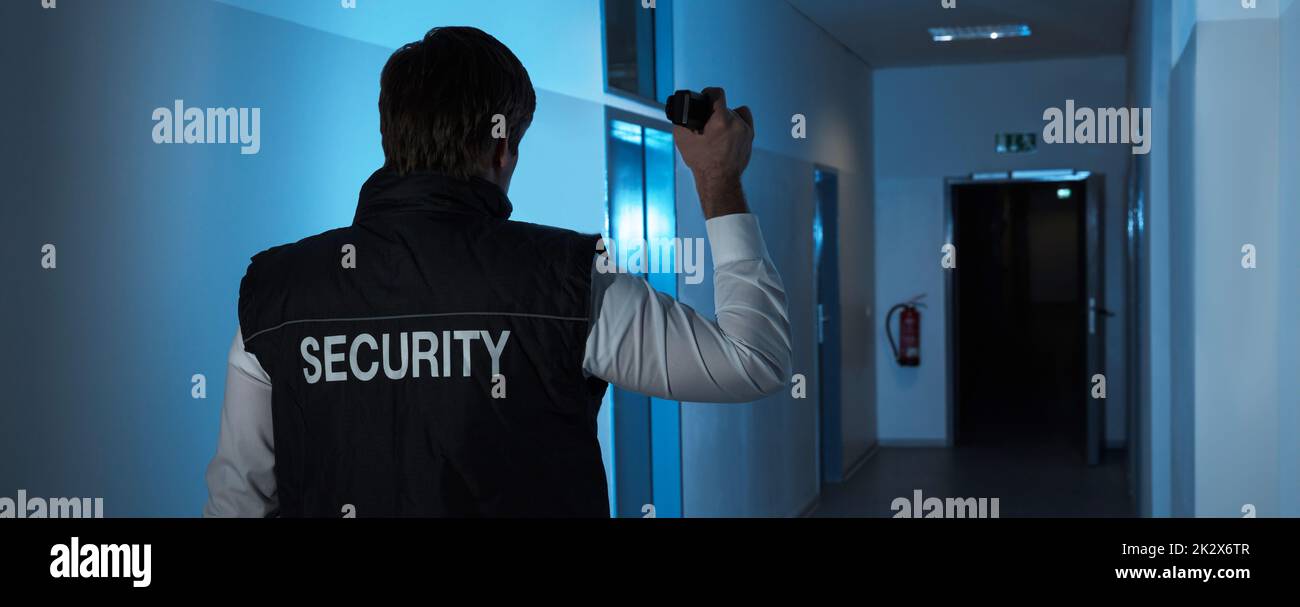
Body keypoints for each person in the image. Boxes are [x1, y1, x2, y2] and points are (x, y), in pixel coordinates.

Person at [204, 26, 791, 517]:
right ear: (503, 147)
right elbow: (754, 362)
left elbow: (237, 503)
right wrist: (718, 180)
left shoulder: (276, 291)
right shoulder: (566, 284)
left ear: (390, 136)